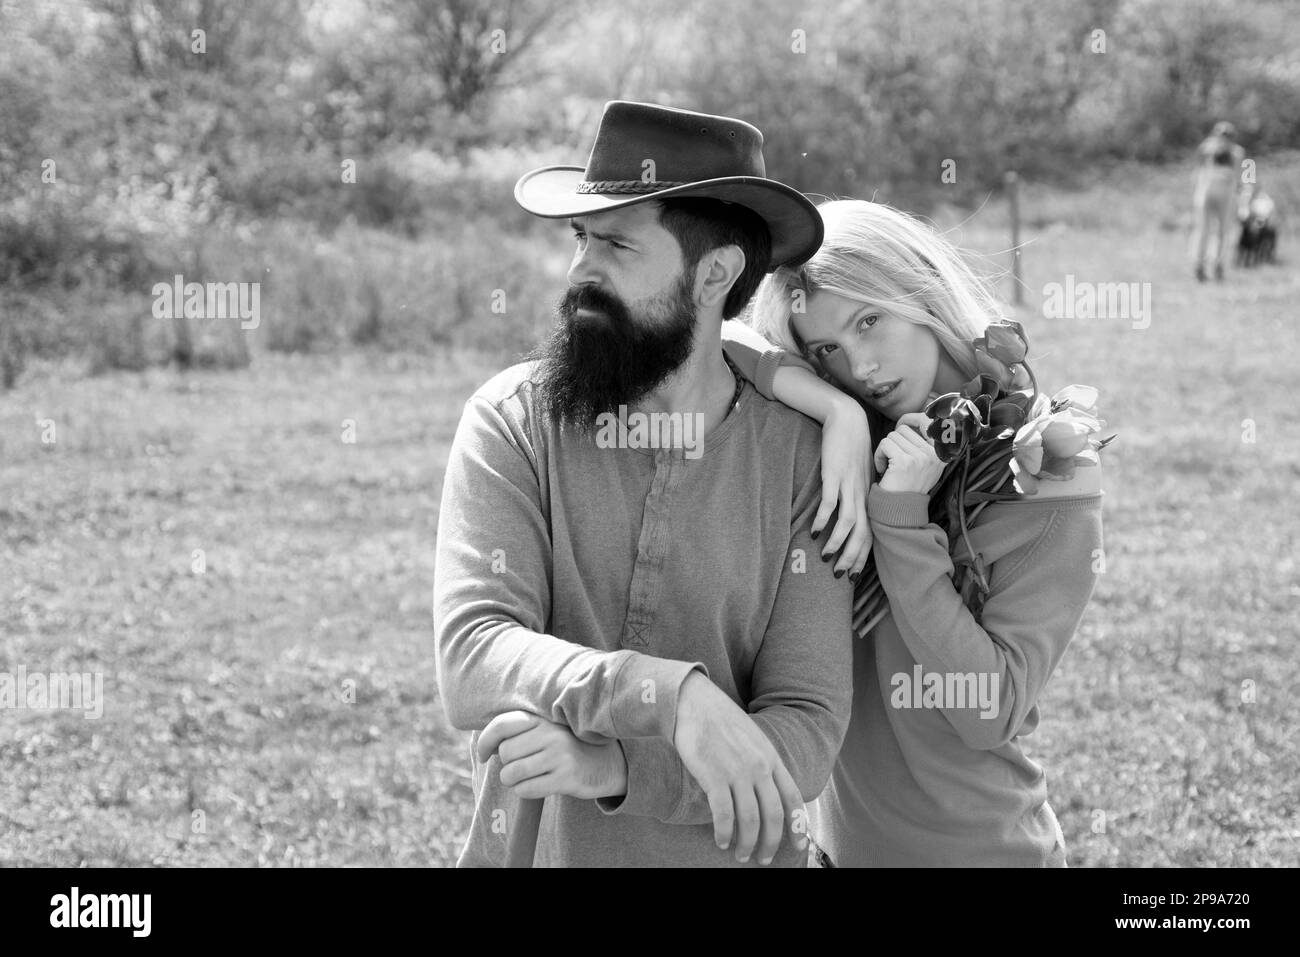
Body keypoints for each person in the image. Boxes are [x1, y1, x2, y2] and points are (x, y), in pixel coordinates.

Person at [433, 101, 859, 867]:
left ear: (715, 274)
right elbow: (474, 653)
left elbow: (806, 728)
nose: (579, 273)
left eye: (618, 245)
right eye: (580, 239)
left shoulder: (801, 457)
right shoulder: (513, 421)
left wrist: (619, 764)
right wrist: (670, 696)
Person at [720, 199, 1107, 866]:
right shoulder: (850, 442)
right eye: (827, 350)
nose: (861, 367)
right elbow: (718, 339)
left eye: (869, 321)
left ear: (921, 285)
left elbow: (988, 707)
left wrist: (900, 519)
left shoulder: (1048, 467)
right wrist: (834, 409)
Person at [1190, 120, 1246, 282]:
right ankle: (1199, 264)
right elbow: (1197, 170)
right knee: (1203, 230)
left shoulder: (1237, 153)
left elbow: (1242, 177)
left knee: (1222, 232)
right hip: (1207, 191)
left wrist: (1243, 200)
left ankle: (1217, 264)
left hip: (1225, 193)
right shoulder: (1207, 149)